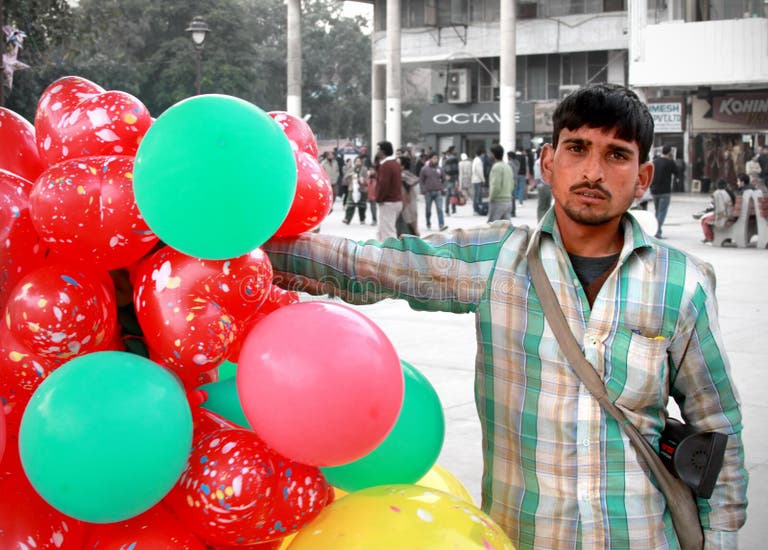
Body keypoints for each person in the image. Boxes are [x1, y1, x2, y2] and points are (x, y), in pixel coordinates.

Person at [264, 84, 747, 548]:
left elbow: (717, 426)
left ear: (642, 178)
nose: (593, 171)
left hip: (642, 537)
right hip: (522, 537)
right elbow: (369, 266)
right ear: (548, 163)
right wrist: (246, 249)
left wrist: (720, 538)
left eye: (616, 154)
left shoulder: (683, 283)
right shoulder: (497, 259)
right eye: (577, 148)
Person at [374, 141, 403, 241]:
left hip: (388, 202)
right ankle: (381, 249)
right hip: (396, 201)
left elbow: (383, 184)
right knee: (382, 228)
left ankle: (392, 253)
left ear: (383, 151)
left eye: (378, 149)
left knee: (388, 231)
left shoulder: (386, 165)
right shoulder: (395, 163)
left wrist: (378, 198)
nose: (377, 152)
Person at [650, 144, 678, 238]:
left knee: (657, 210)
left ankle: (656, 230)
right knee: (662, 211)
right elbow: (677, 172)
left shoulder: (654, 162)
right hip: (665, 191)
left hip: (654, 190)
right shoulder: (670, 162)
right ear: (670, 152)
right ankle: (657, 231)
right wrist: (672, 160)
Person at [419, 153, 448, 231]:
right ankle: (428, 223)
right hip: (428, 192)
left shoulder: (440, 169)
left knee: (440, 209)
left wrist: (444, 187)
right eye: (434, 158)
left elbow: (444, 179)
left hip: (438, 192)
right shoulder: (424, 169)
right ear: (430, 159)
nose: (435, 160)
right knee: (428, 209)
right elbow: (421, 181)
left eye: (436, 158)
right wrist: (423, 190)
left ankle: (441, 225)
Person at [700, 179, 734, 244]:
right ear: (726, 185)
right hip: (730, 215)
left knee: (704, 220)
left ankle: (709, 238)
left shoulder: (718, 193)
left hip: (723, 216)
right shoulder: (730, 193)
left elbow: (714, 206)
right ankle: (726, 239)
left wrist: (706, 211)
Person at [487, 144, 514, 222]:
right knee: (506, 229)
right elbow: (512, 184)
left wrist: (491, 198)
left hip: (498, 201)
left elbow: (495, 185)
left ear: (494, 154)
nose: (489, 155)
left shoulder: (496, 167)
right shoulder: (507, 166)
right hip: (508, 200)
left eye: (490, 153)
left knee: (492, 227)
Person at [396, 156, 420, 237]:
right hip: (408, 210)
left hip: (404, 210)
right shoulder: (411, 176)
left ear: (402, 166)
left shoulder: (402, 177)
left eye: (397, 163)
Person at [342, 157, 367, 225]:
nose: (358, 162)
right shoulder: (351, 169)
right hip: (352, 189)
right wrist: (349, 176)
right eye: (356, 161)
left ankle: (362, 219)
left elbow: (367, 179)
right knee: (350, 205)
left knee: (362, 206)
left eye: (359, 161)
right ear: (354, 162)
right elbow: (345, 178)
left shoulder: (364, 169)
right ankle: (347, 219)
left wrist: (363, 180)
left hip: (362, 189)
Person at [533, 149, 551, 221]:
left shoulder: (539, 162)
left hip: (544, 184)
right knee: (545, 205)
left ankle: (542, 221)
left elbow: (537, 175)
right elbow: (537, 175)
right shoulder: (543, 162)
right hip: (545, 184)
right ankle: (542, 221)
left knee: (543, 205)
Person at [442, 146, 460, 216]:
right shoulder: (454, 159)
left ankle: (447, 210)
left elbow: (443, 169)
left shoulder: (446, 159)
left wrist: (445, 176)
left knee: (448, 194)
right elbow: (456, 170)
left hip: (448, 179)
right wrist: (457, 180)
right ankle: (453, 209)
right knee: (453, 194)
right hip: (452, 179)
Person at [471, 148, 487, 214]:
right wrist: (483, 179)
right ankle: (476, 209)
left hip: (475, 179)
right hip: (478, 180)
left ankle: (476, 209)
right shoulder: (479, 161)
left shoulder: (475, 160)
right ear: (481, 153)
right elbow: (480, 171)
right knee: (477, 195)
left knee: (476, 195)